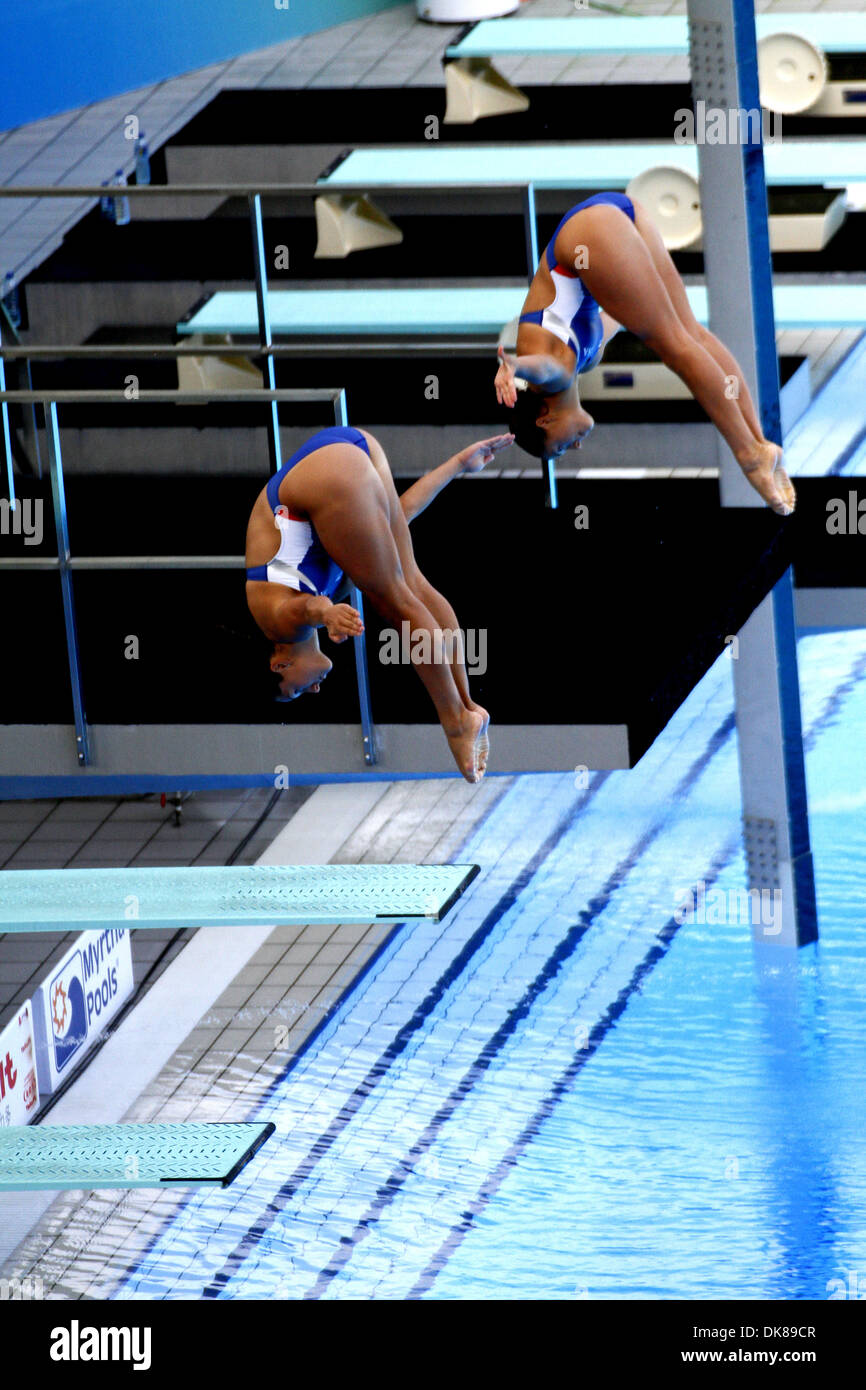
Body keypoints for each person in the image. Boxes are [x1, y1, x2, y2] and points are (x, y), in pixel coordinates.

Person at [494, 190, 795, 517]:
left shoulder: (554, 376)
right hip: (614, 215)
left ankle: (749, 457)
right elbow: (622, 315)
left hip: (592, 232)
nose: (576, 445)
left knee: (677, 348)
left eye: (561, 446)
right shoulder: (586, 357)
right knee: (689, 335)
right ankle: (759, 441)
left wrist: (514, 367)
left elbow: (543, 368)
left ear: (544, 418)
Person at [245, 425, 514, 783]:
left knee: (395, 601)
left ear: (279, 664)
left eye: (296, 690)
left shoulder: (276, 624)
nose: (315, 688)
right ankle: (467, 705)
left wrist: (326, 613)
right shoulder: (332, 582)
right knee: (412, 584)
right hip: (353, 448)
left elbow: (305, 609)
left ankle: (455, 723)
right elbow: (399, 513)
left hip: (325, 472)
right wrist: (457, 464)